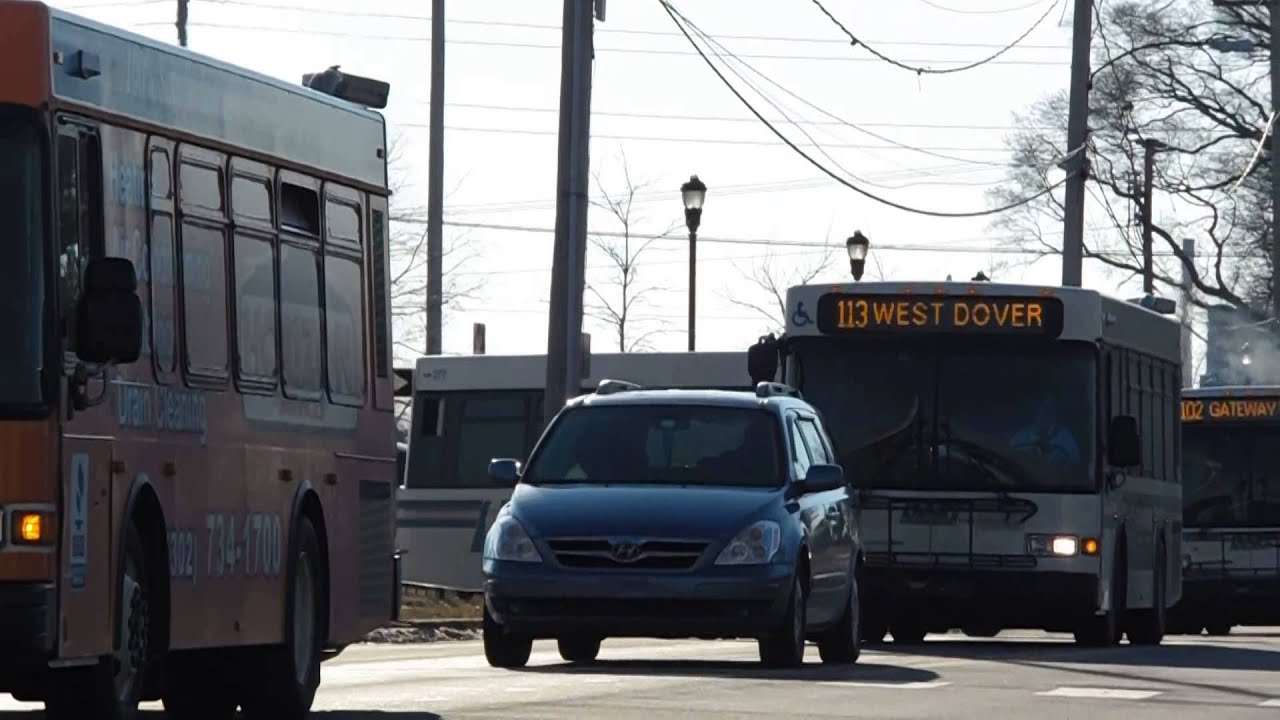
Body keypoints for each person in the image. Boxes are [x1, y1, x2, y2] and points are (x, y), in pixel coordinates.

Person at [1009, 395, 1081, 463]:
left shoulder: (1066, 438)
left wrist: (1054, 458)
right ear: (1036, 410)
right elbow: (1009, 456)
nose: (1046, 412)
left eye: (1050, 408)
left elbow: (1075, 466)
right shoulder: (1022, 436)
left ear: (1056, 412)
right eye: (1042, 407)